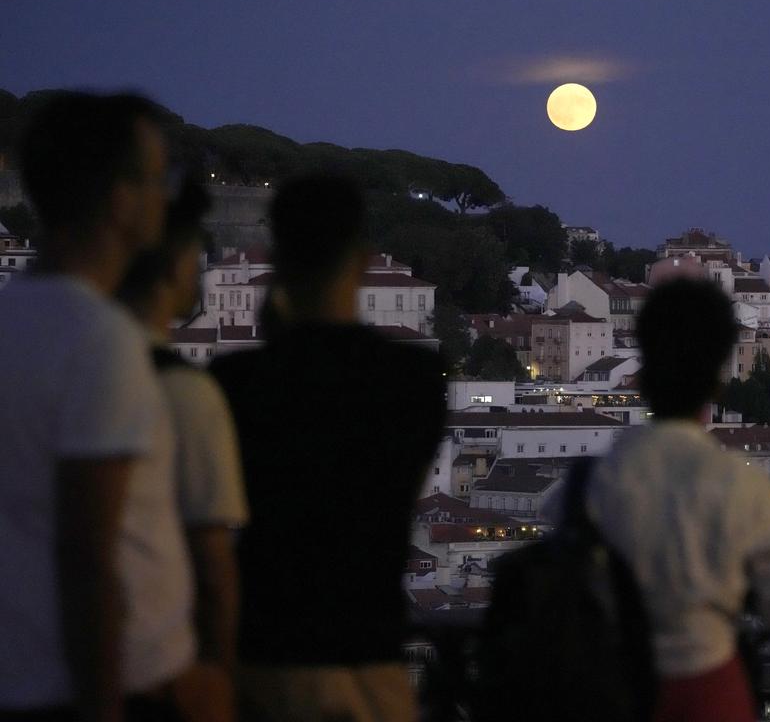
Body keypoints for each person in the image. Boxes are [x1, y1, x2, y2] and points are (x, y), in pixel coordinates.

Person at [0, 93, 212, 721]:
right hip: (113, 689)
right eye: (157, 179)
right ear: (120, 197)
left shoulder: (13, 320)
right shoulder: (101, 340)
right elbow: (91, 554)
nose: (164, 197)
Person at [210, 172, 446, 722]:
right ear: (362, 259)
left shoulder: (232, 381)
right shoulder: (415, 378)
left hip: (265, 659)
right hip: (372, 656)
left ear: (278, 260)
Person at [580, 278, 770, 722]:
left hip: (611, 691)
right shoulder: (740, 485)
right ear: (716, 383)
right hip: (709, 690)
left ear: (643, 375)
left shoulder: (592, 481)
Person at [117, 175, 248, 711]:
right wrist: (222, 676)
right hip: (151, 670)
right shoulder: (184, 393)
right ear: (173, 268)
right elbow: (214, 564)